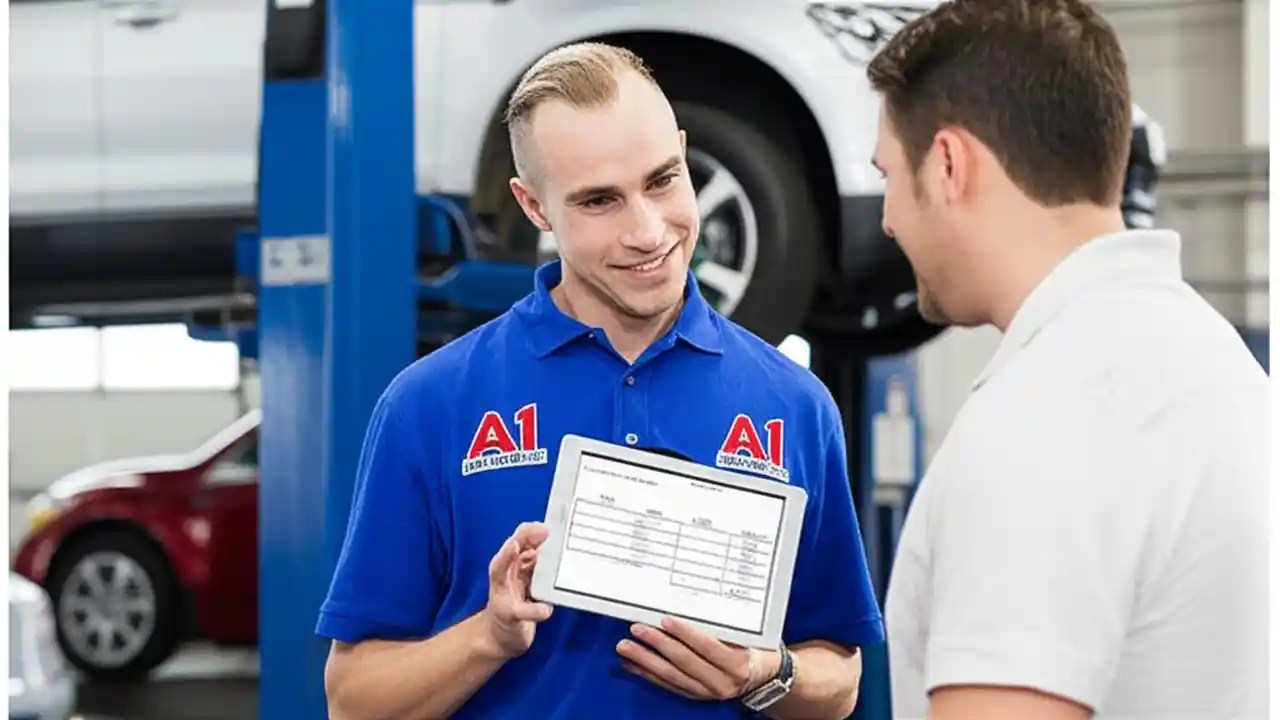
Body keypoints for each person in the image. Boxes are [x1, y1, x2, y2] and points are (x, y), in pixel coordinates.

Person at [317, 41, 884, 719]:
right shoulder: (429, 405)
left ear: (682, 151)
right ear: (534, 207)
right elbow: (353, 701)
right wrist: (489, 637)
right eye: (599, 201)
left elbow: (840, 682)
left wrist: (764, 670)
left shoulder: (793, 407)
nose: (647, 231)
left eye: (663, 180)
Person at [864, 2, 1270, 719]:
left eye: (889, 174)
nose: (889, 217)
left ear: (951, 164)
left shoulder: (1052, 411)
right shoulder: (1209, 362)